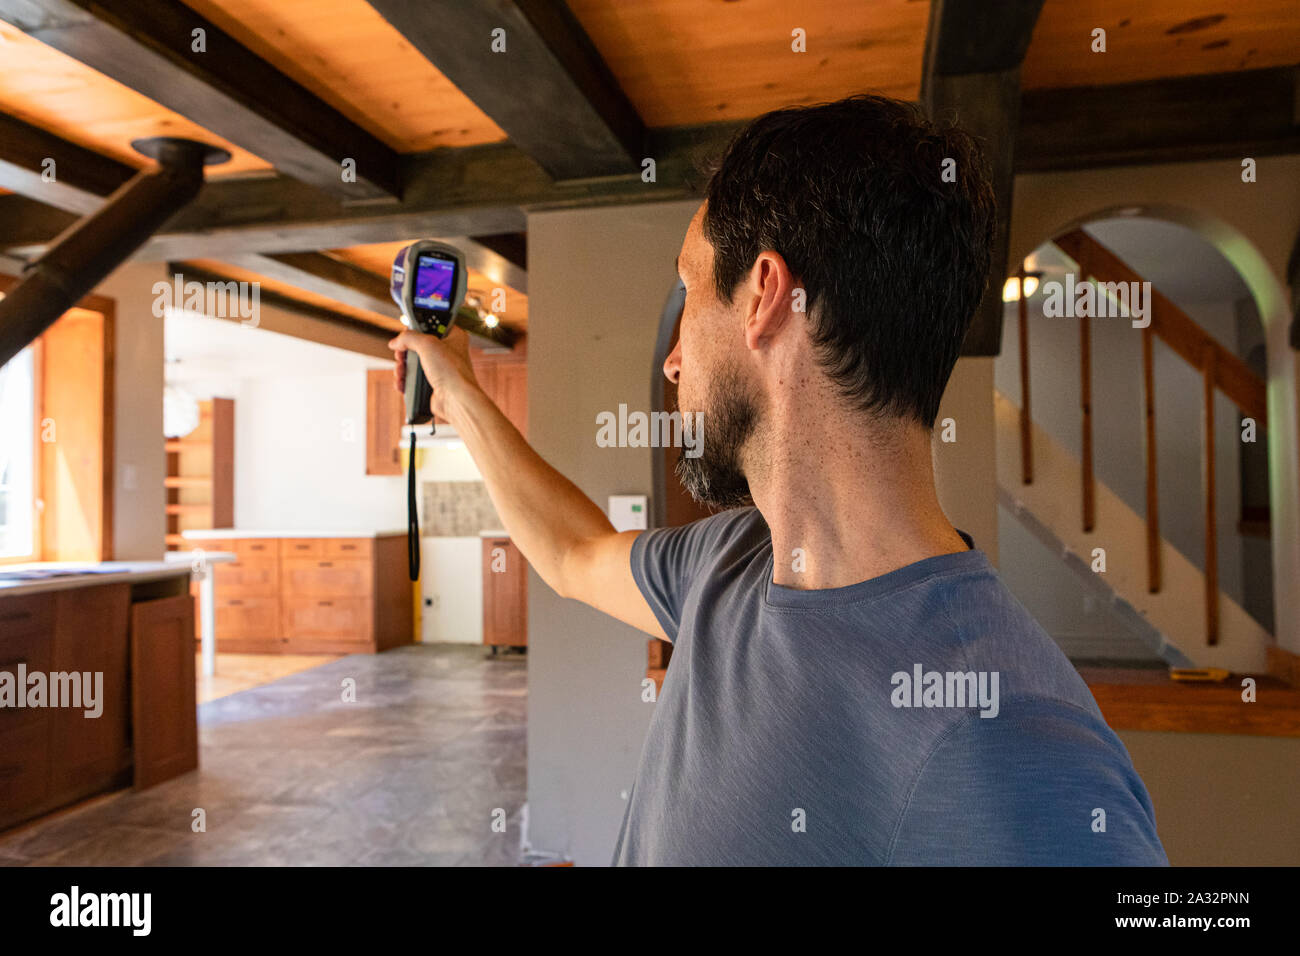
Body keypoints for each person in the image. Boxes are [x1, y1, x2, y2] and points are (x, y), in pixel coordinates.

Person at [389, 94, 1169, 866]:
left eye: (691, 293)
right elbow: (570, 551)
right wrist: (457, 390)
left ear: (764, 295)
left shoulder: (1006, 743)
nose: (671, 361)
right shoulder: (724, 564)